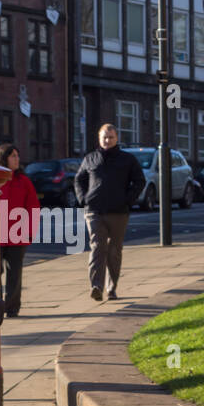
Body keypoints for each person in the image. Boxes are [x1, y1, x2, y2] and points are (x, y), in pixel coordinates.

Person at [74, 125, 144, 302]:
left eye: (111, 137)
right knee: (97, 247)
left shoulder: (127, 159)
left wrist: (128, 200)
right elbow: (79, 179)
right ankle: (96, 286)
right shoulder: (90, 158)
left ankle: (112, 288)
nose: (107, 141)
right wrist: (83, 199)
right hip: (94, 211)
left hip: (118, 212)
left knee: (114, 250)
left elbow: (139, 181)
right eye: (104, 137)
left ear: (117, 138)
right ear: (99, 138)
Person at [0, 144, 40, 318]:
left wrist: (29, 231)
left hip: (16, 234)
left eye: (18, 156)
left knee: (15, 274)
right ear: (3, 158)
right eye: (13, 156)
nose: (17, 159)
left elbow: (33, 206)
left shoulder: (24, 181)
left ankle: (11, 307)